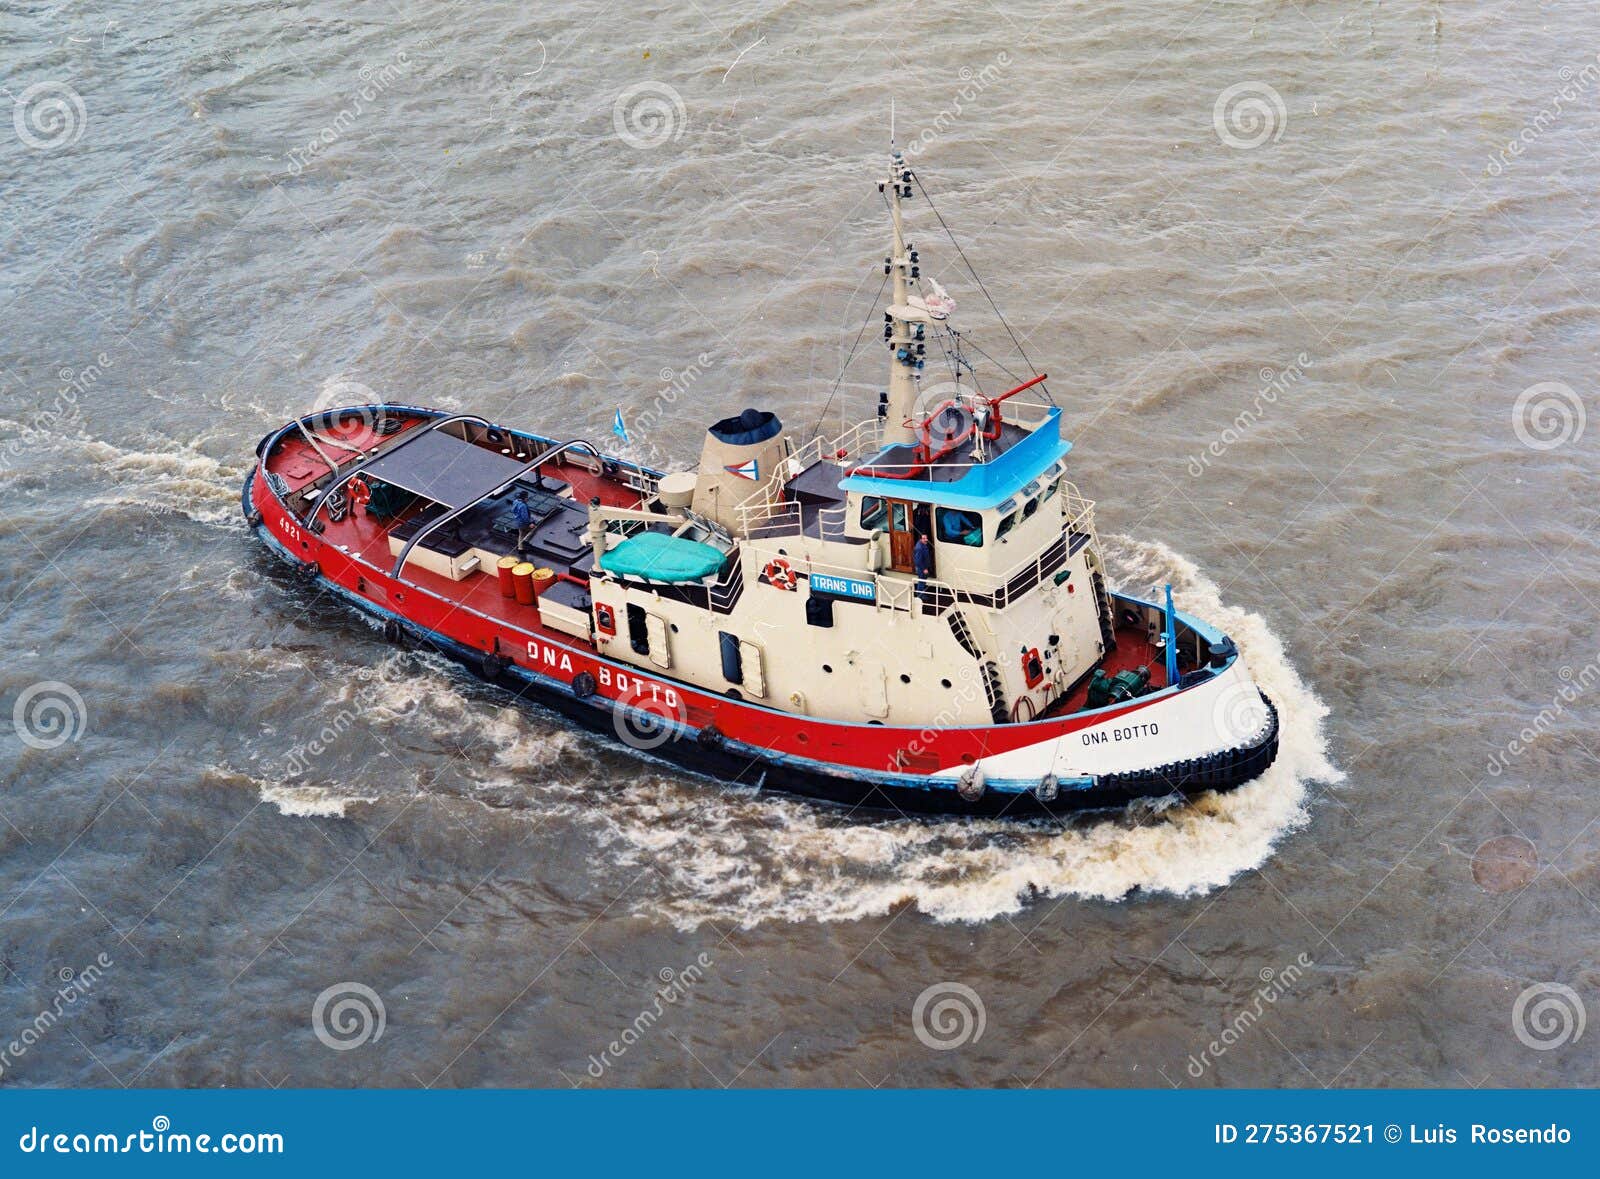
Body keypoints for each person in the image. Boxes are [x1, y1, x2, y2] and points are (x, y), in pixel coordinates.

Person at [912, 532, 933, 601]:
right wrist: (924, 569)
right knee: (921, 580)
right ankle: (920, 595)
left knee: (923, 580)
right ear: (920, 539)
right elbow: (918, 561)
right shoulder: (919, 548)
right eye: (924, 538)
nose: (926, 540)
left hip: (924, 566)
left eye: (926, 538)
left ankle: (920, 593)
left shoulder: (923, 545)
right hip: (921, 568)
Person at [511, 491, 534, 555]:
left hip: (517, 521)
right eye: (527, 497)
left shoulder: (515, 501)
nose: (527, 499)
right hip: (523, 523)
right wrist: (530, 523)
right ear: (525, 498)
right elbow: (525, 517)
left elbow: (512, 510)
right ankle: (526, 542)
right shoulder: (523, 506)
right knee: (532, 530)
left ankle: (520, 548)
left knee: (521, 534)